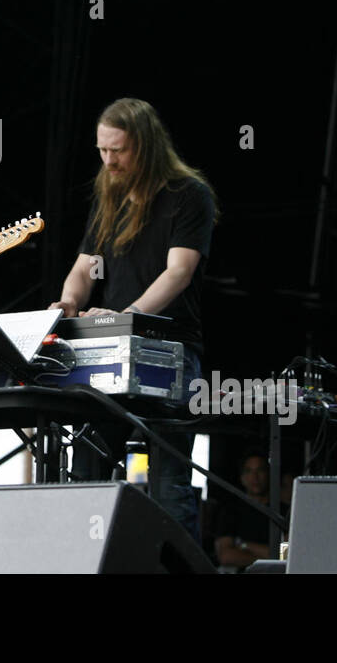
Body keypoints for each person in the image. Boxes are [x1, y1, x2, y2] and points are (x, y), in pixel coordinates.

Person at [50, 97, 216, 541]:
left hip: (170, 348)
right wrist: (66, 303)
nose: (108, 160)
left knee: (168, 485)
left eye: (117, 150)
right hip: (111, 350)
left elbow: (179, 271)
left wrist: (126, 319)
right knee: (87, 473)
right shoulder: (111, 194)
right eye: (102, 150)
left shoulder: (189, 195)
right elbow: (85, 267)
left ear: (144, 146)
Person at [212, 453, 287, 570]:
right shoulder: (231, 511)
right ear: (242, 478)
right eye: (249, 471)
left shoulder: (284, 512)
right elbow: (225, 556)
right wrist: (268, 556)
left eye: (260, 470)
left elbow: (286, 556)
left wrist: (244, 545)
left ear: (269, 475)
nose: (255, 477)